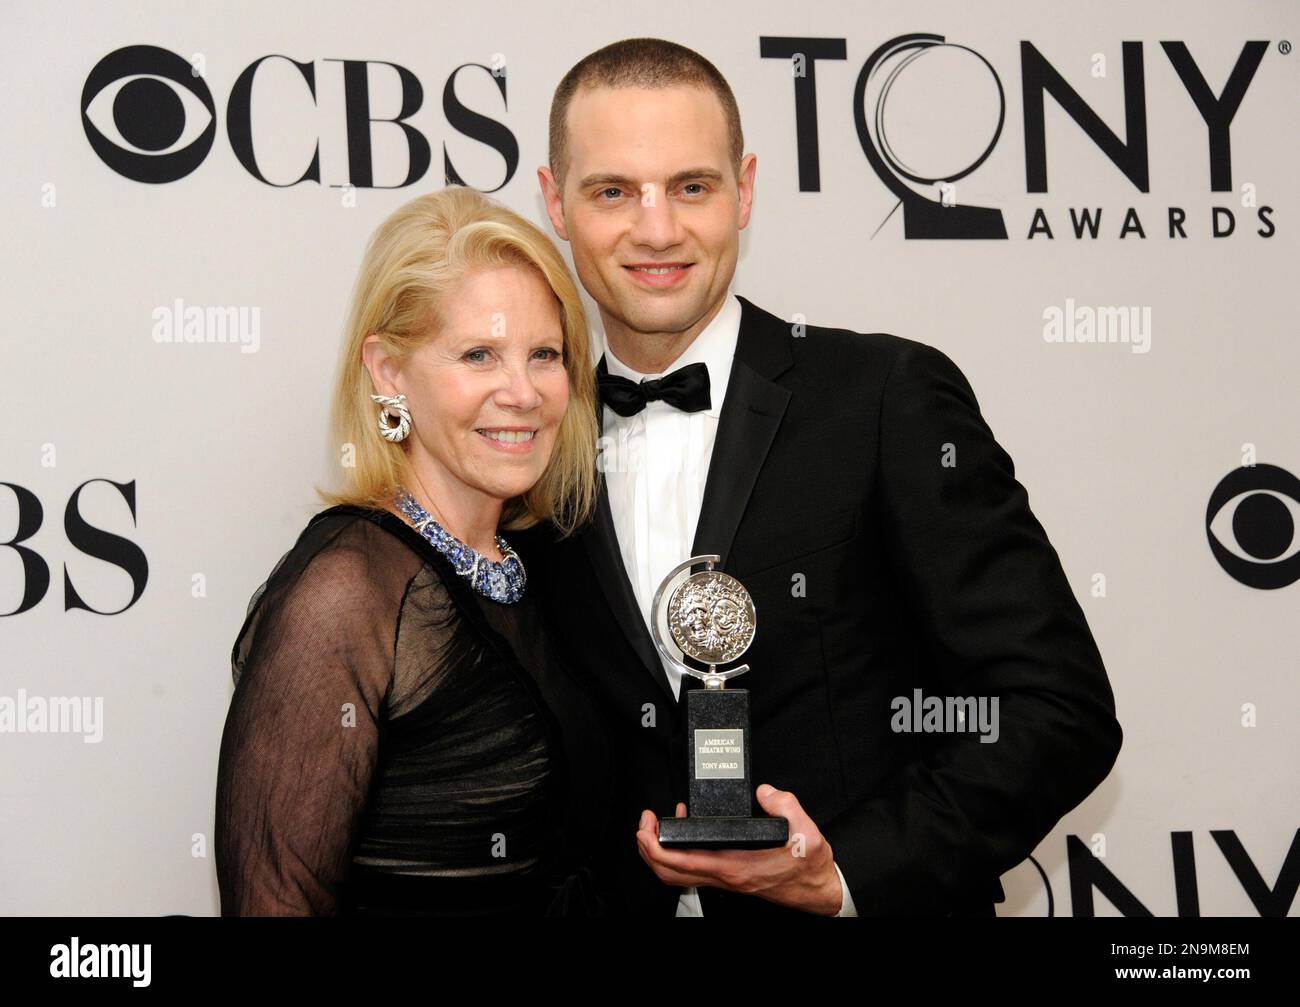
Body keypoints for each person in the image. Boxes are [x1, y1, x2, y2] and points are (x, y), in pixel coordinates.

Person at [515, 38, 1124, 917]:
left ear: (746, 188)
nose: (656, 229)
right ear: (555, 202)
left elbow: (1055, 709)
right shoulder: (530, 443)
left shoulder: (884, 398)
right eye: (613, 191)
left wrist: (843, 875)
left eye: (693, 186)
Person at [214, 184, 616, 916]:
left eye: (545, 354)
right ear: (389, 371)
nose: (523, 393)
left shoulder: (537, 566)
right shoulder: (345, 596)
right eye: (479, 354)